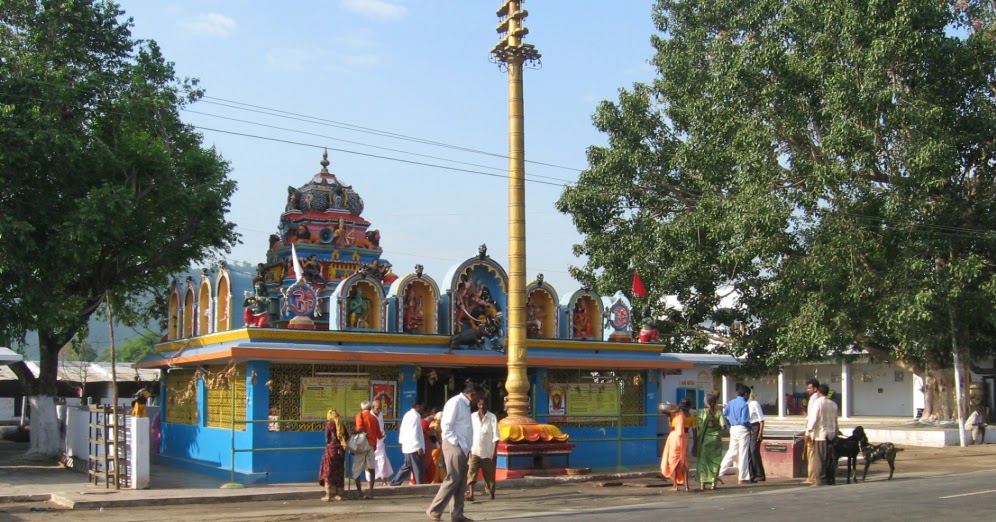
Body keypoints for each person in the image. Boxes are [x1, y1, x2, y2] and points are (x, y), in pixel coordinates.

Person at [426, 384, 482, 522]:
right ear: (472, 395)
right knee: (452, 479)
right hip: (454, 445)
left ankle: (457, 514)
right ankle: (434, 510)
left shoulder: (466, 405)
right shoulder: (456, 402)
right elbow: (446, 426)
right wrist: (457, 443)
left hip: (463, 447)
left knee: (461, 482)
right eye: (479, 397)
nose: (479, 401)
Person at [466, 398, 499, 502]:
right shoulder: (472, 417)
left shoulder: (492, 417)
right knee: (471, 472)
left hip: (488, 451)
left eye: (483, 404)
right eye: (480, 404)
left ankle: (491, 492)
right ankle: (471, 494)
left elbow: (496, 437)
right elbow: (469, 433)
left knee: (489, 475)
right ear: (477, 405)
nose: (482, 406)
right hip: (474, 450)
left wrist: (494, 452)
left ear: (486, 405)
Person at [805, 384, 839, 486]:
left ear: (819, 392)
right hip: (832, 434)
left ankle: (819, 480)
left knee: (819, 458)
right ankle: (829, 479)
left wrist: (808, 431)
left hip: (821, 434)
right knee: (829, 458)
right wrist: (837, 431)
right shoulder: (833, 404)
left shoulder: (818, 403)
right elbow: (835, 420)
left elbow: (813, 418)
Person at [719, 384, 752, 484]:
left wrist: (729, 425)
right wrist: (751, 427)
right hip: (742, 429)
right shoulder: (744, 405)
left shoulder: (731, 402)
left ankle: (719, 473)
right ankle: (743, 477)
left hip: (733, 428)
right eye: (748, 395)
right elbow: (744, 420)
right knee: (743, 453)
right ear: (746, 394)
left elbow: (724, 415)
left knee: (731, 452)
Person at [660, 398, 693, 491]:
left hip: (675, 438)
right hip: (685, 438)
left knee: (673, 461)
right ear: (690, 407)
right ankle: (686, 486)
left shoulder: (677, 415)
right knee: (684, 460)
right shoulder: (691, 417)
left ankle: (675, 486)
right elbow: (694, 431)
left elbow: (672, 428)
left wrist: (669, 416)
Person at [391, 402, 426, 485]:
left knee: (407, 466)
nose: (422, 409)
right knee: (418, 467)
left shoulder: (408, 415)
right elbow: (414, 432)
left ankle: (395, 482)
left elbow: (402, 429)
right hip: (413, 447)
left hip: (408, 445)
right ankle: (419, 485)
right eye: (422, 407)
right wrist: (418, 447)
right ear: (417, 406)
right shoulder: (414, 417)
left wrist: (402, 442)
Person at [353, 400, 382, 499]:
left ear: (362, 408)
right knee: (371, 468)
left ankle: (359, 492)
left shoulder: (360, 416)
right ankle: (371, 492)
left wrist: (353, 432)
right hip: (371, 445)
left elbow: (359, 429)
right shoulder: (374, 418)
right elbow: (379, 434)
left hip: (361, 445)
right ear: (370, 408)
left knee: (357, 469)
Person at [695, 393, 725, 490]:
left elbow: (699, 426)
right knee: (715, 461)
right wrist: (717, 427)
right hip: (716, 440)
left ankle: (702, 484)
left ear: (706, 403)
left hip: (705, 440)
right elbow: (723, 427)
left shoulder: (703, 412)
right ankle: (713, 484)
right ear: (715, 402)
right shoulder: (719, 412)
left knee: (703, 461)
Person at [319, 409, 347, 501]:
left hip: (331, 450)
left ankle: (328, 495)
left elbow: (327, 439)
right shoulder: (341, 424)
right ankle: (339, 494)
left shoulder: (329, 424)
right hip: (341, 451)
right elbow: (347, 436)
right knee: (339, 472)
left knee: (328, 472)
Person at [370, 400, 394, 487]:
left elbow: (382, 427)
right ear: (373, 408)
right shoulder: (369, 416)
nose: (379, 410)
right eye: (377, 408)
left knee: (382, 461)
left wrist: (383, 438)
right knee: (370, 463)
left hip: (380, 442)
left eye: (380, 408)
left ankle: (384, 481)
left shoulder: (380, 414)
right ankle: (370, 482)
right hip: (372, 442)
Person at [802, 378, 821, 485]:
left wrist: (807, 431)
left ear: (815, 388)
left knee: (811, 454)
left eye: (809, 388)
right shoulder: (821, 398)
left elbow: (811, 417)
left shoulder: (813, 399)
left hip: (812, 430)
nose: (807, 390)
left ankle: (811, 477)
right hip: (819, 432)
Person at [747, 388, 766, 482]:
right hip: (747, 427)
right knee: (748, 452)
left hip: (755, 427)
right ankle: (752, 474)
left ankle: (759, 474)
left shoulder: (754, 404)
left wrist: (760, 432)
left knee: (754, 450)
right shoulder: (744, 404)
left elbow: (761, 419)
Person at [429, 410, 446, 484]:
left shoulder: (433, 424)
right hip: (437, 448)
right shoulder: (436, 426)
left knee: (438, 464)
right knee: (436, 464)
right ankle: (435, 480)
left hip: (436, 448)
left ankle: (441, 478)